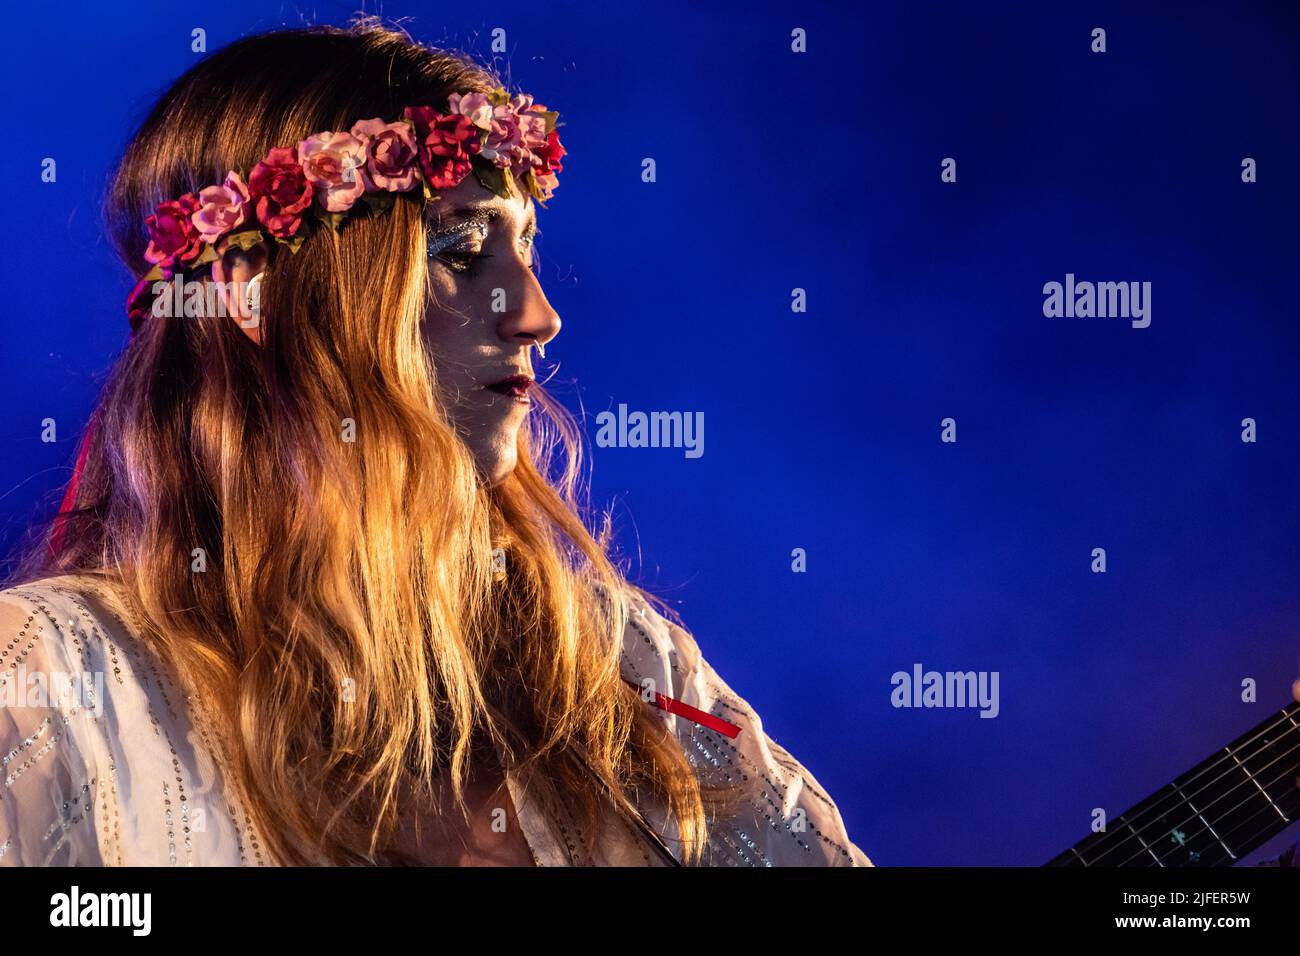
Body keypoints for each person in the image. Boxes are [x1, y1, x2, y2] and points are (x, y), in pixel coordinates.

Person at [0, 19, 869, 868]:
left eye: (525, 249)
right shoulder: (53, 682)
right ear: (254, 294)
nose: (538, 315)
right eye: (459, 251)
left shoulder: (617, 664)